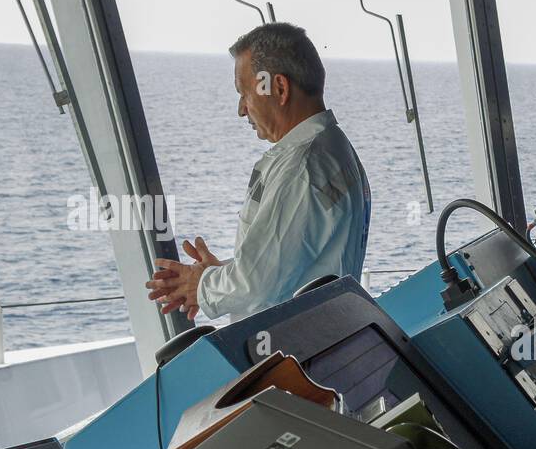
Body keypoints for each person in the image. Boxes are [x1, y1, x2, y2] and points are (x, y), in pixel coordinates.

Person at [147, 22, 370, 321]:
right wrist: (222, 274)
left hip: (292, 350)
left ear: (278, 88)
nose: (241, 109)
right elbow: (293, 256)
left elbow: (255, 283)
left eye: (244, 93)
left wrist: (201, 286)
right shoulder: (333, 147)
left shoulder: (300, 169)